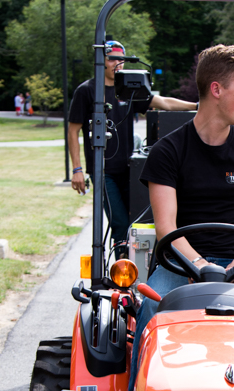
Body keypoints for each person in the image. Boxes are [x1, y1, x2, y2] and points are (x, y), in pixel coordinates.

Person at [128, 43, 234, 391]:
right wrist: (202, 265)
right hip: (180, 267)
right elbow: (168, 229)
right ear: (217, 90)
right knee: (150, 308)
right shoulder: (168, 152)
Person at [68, 40, 197, 251]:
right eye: (112, 59)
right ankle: (122, 272)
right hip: (103, 171)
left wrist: (197, 106)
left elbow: (162, 102)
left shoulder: (128, 89)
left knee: (137, 224)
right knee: (119, 223)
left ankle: (138, 268)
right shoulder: (86, 91)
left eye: (122, 59)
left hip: (130, 169)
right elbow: (73, 131)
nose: (118, 63)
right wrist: (77, 169)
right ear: (101, 62)